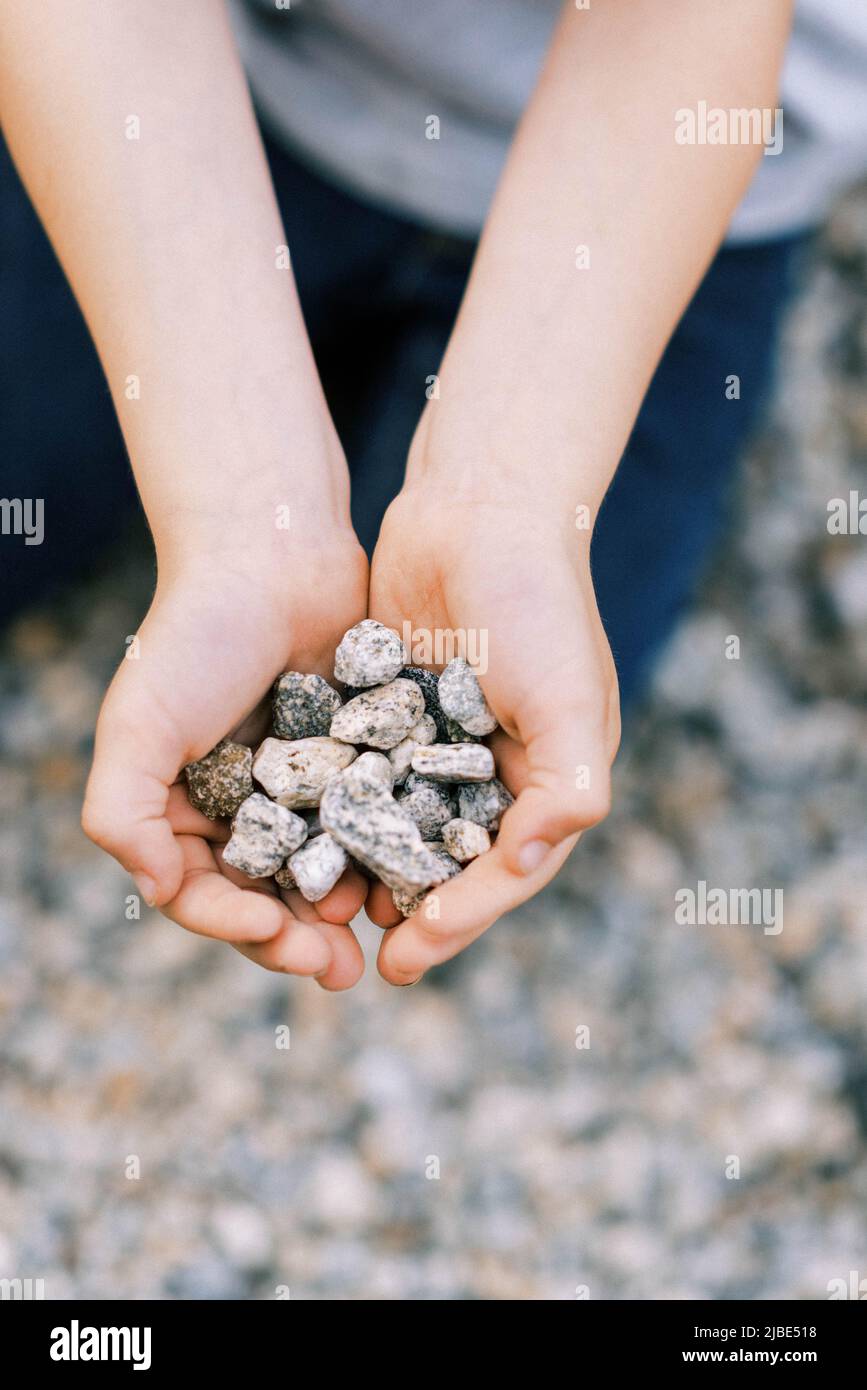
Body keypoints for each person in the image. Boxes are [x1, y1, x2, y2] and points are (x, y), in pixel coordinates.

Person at [1, 1, 864, 989]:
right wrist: (237, 510)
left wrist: (510, 499)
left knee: (519, 712)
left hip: (656, 162)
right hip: (245, 93)